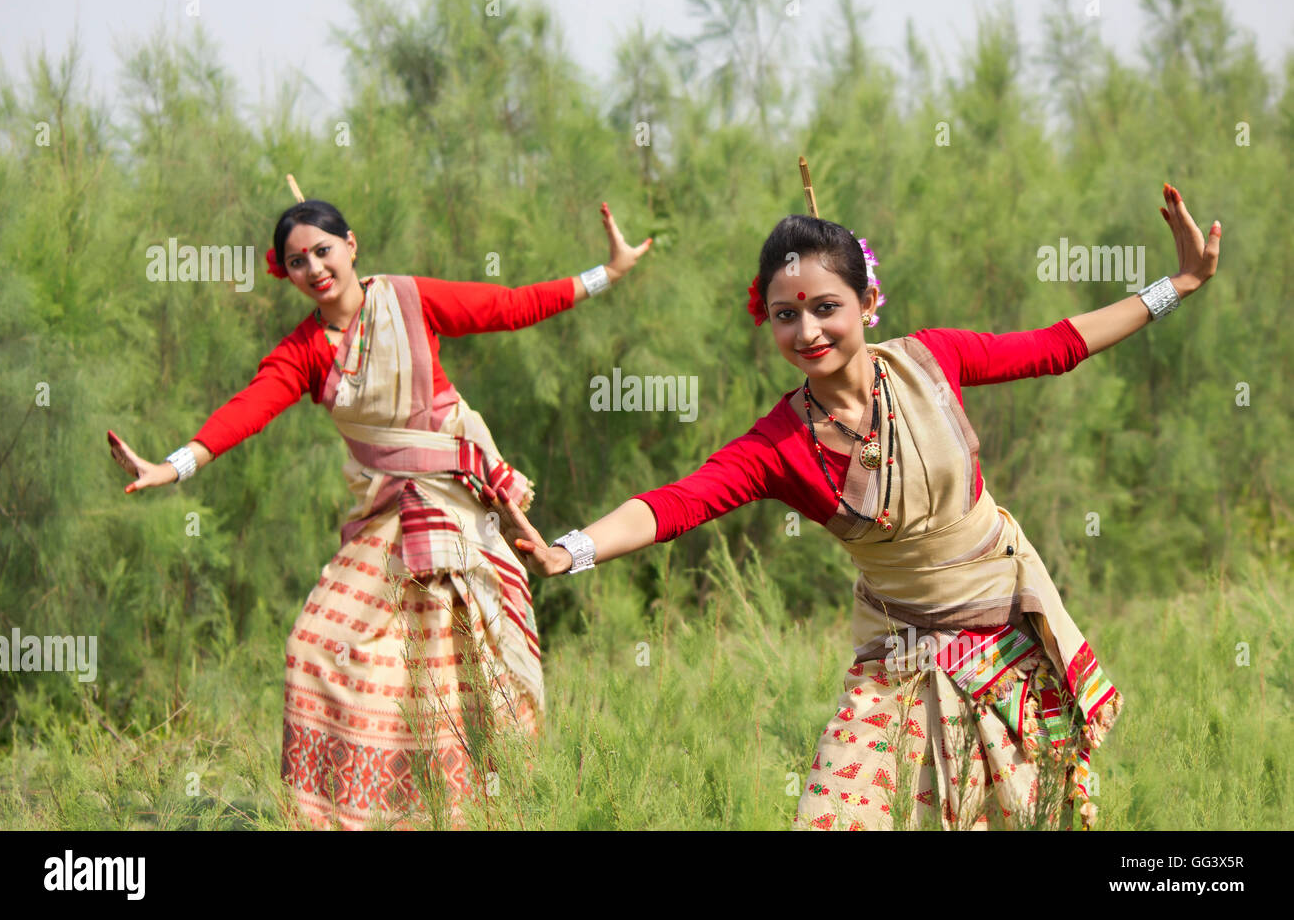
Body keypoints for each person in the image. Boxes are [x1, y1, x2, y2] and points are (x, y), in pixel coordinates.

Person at [489, 183, 1221, 830]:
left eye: (825, 308)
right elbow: (677, 503)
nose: (806, 333)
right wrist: (570, 550)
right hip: (897, 659)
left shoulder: (934, 362)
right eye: (785, 315)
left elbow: (1058, 345)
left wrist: (1178, 284)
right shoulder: (782, 443)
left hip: (1006, 640)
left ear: (870, 301)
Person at [108, 196, 652, 829]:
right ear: (284, 275)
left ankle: (479, 811)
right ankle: (344, 814)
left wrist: (605, 274)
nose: (312, 267)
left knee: (456, 664)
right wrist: (172, 465)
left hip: (457, 505)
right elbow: (248, 410)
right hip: (389, 514)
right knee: (315, 648)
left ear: (351, 245)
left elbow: (508, 307)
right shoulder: (305, 351)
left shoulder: (408, 300)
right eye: (295, 261)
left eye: (321, 250)